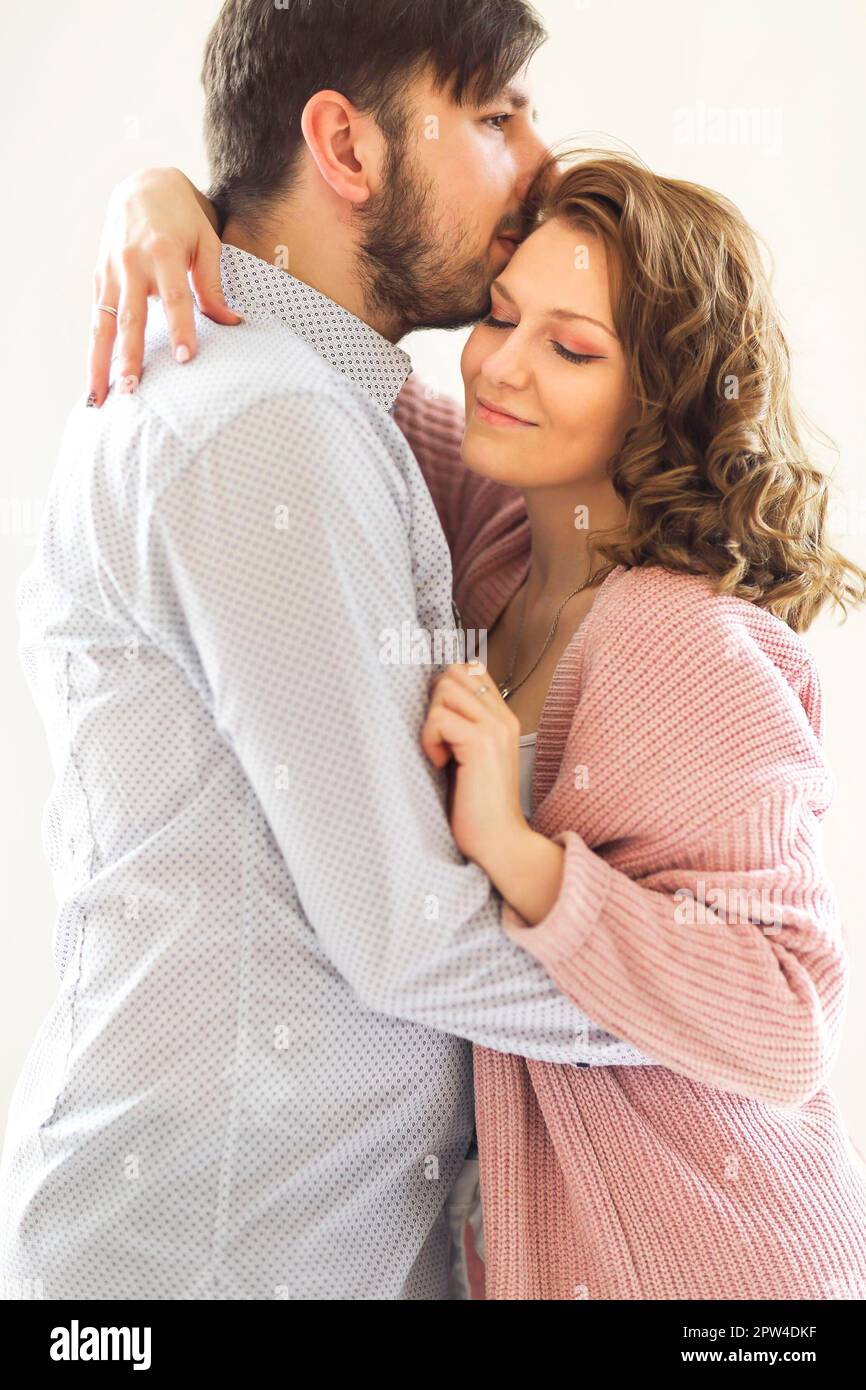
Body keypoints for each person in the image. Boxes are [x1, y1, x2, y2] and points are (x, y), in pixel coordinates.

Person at [95, 141, 866, 1298]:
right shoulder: (497, 531)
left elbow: (785, 1017)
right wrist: (166, 203)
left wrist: (520, 857)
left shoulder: (686, 645)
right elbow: (343, 369)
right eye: (501, 316)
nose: (499, 367)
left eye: (570, 347)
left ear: (655, 395)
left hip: (715, 1267)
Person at [0, 0, 656, 1304]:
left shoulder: (323, 397)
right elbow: (407, 935)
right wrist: (700, 1005)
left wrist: (164, 189)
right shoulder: (265, 417)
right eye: (489, 113)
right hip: (220, 1259)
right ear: (346, 152)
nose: (536, 160)